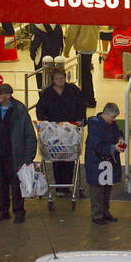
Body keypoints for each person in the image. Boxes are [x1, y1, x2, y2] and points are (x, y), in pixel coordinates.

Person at [0, 82, 36, 224]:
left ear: (8, 96)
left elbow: (29, 134)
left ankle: (19, 211)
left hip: (15, 154)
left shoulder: (19, 110)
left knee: (16, 184)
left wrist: (28, 157)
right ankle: (3, 210)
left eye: (0, 94)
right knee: (1, 183)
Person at [36, 62, 86, 197]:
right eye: (57, 78)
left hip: (70, 131)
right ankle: (59, 187)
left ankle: (67, 186)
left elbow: (82, 106)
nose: (60, 80)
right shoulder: (47, 93)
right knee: (57, 158)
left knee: (70, 157)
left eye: (62, 77)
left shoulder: (73, 90)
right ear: (53, 79)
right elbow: (40, 111)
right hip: (54, 133)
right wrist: (46, 124)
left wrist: (80, 121)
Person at [84, 102, 125, 224]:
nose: (114, 120)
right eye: (112, 117)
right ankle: (97, 215)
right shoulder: (96, 126)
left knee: (107, 187)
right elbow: (97, 146)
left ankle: (105, 212)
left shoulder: (109, 123)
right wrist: (114, 148)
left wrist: (120, 139)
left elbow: (118, 133)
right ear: (105, 114)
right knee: (97, 189)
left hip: (106, 162)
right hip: (96, 162)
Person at [63, 23, 100, 108]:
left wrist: (66, 50)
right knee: (86, 73)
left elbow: (72, 33)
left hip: (82, 47)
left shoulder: (78, 14)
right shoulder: (93, 11)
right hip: (91, 45)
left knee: (84, 75)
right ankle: (88, 98)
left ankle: (89, 100)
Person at [30, 22, 64, 91]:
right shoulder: (57, 26)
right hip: (55, 58)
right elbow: (61, 44)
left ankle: (43, 99)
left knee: (41, 82)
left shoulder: (37, 28)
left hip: (40, 60)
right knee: (55, 80)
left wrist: (34, 57)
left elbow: (33, 46)